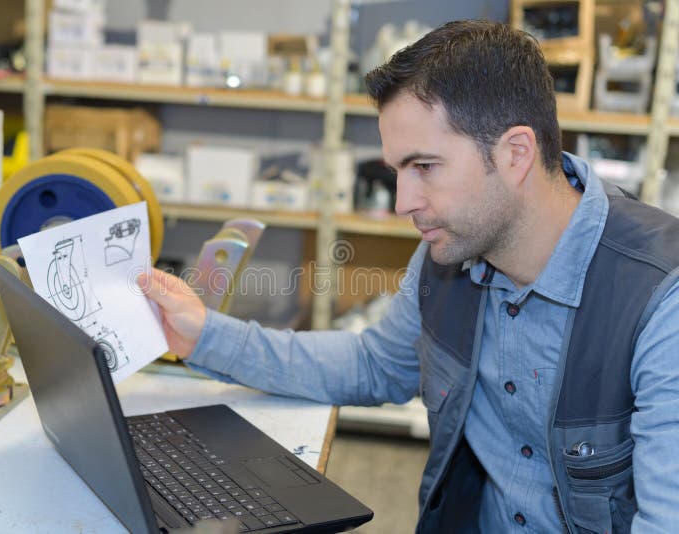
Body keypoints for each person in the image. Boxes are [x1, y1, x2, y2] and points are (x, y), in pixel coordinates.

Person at [138, 20, 679, 533]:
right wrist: (204, 334)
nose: (403, 202)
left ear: (515, 154)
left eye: (424, 167)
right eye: (397, 171)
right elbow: (374, 363)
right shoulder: (449, 256)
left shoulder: (659, 300)